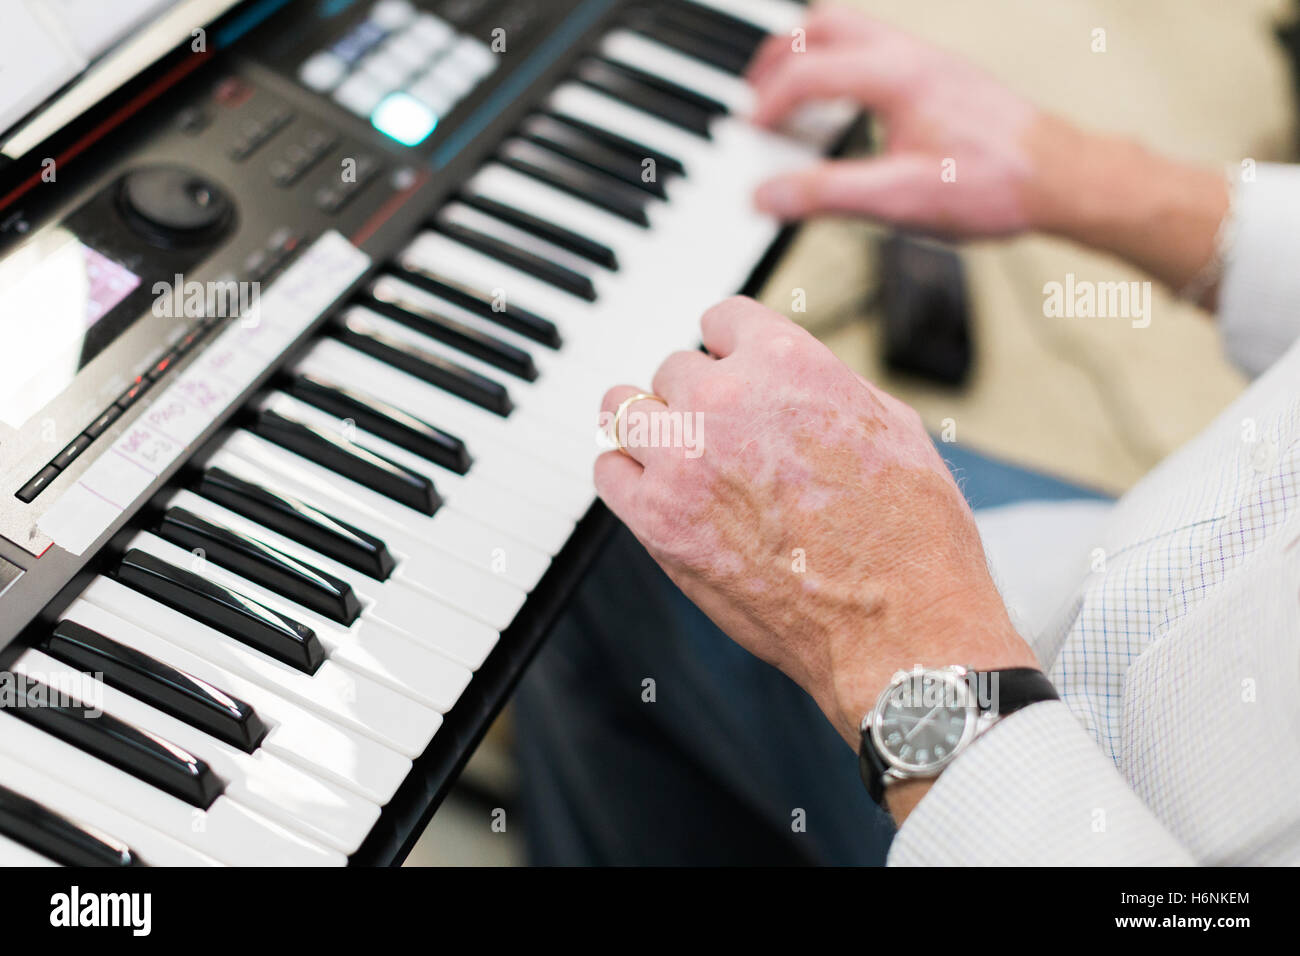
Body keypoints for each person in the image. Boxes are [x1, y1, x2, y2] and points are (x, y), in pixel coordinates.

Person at [515, 5, 1300, 865]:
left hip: (1031, 798)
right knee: (666, 484)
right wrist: (1082, 173)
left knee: (607, 529)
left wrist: (896, 637)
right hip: (1110, 557)